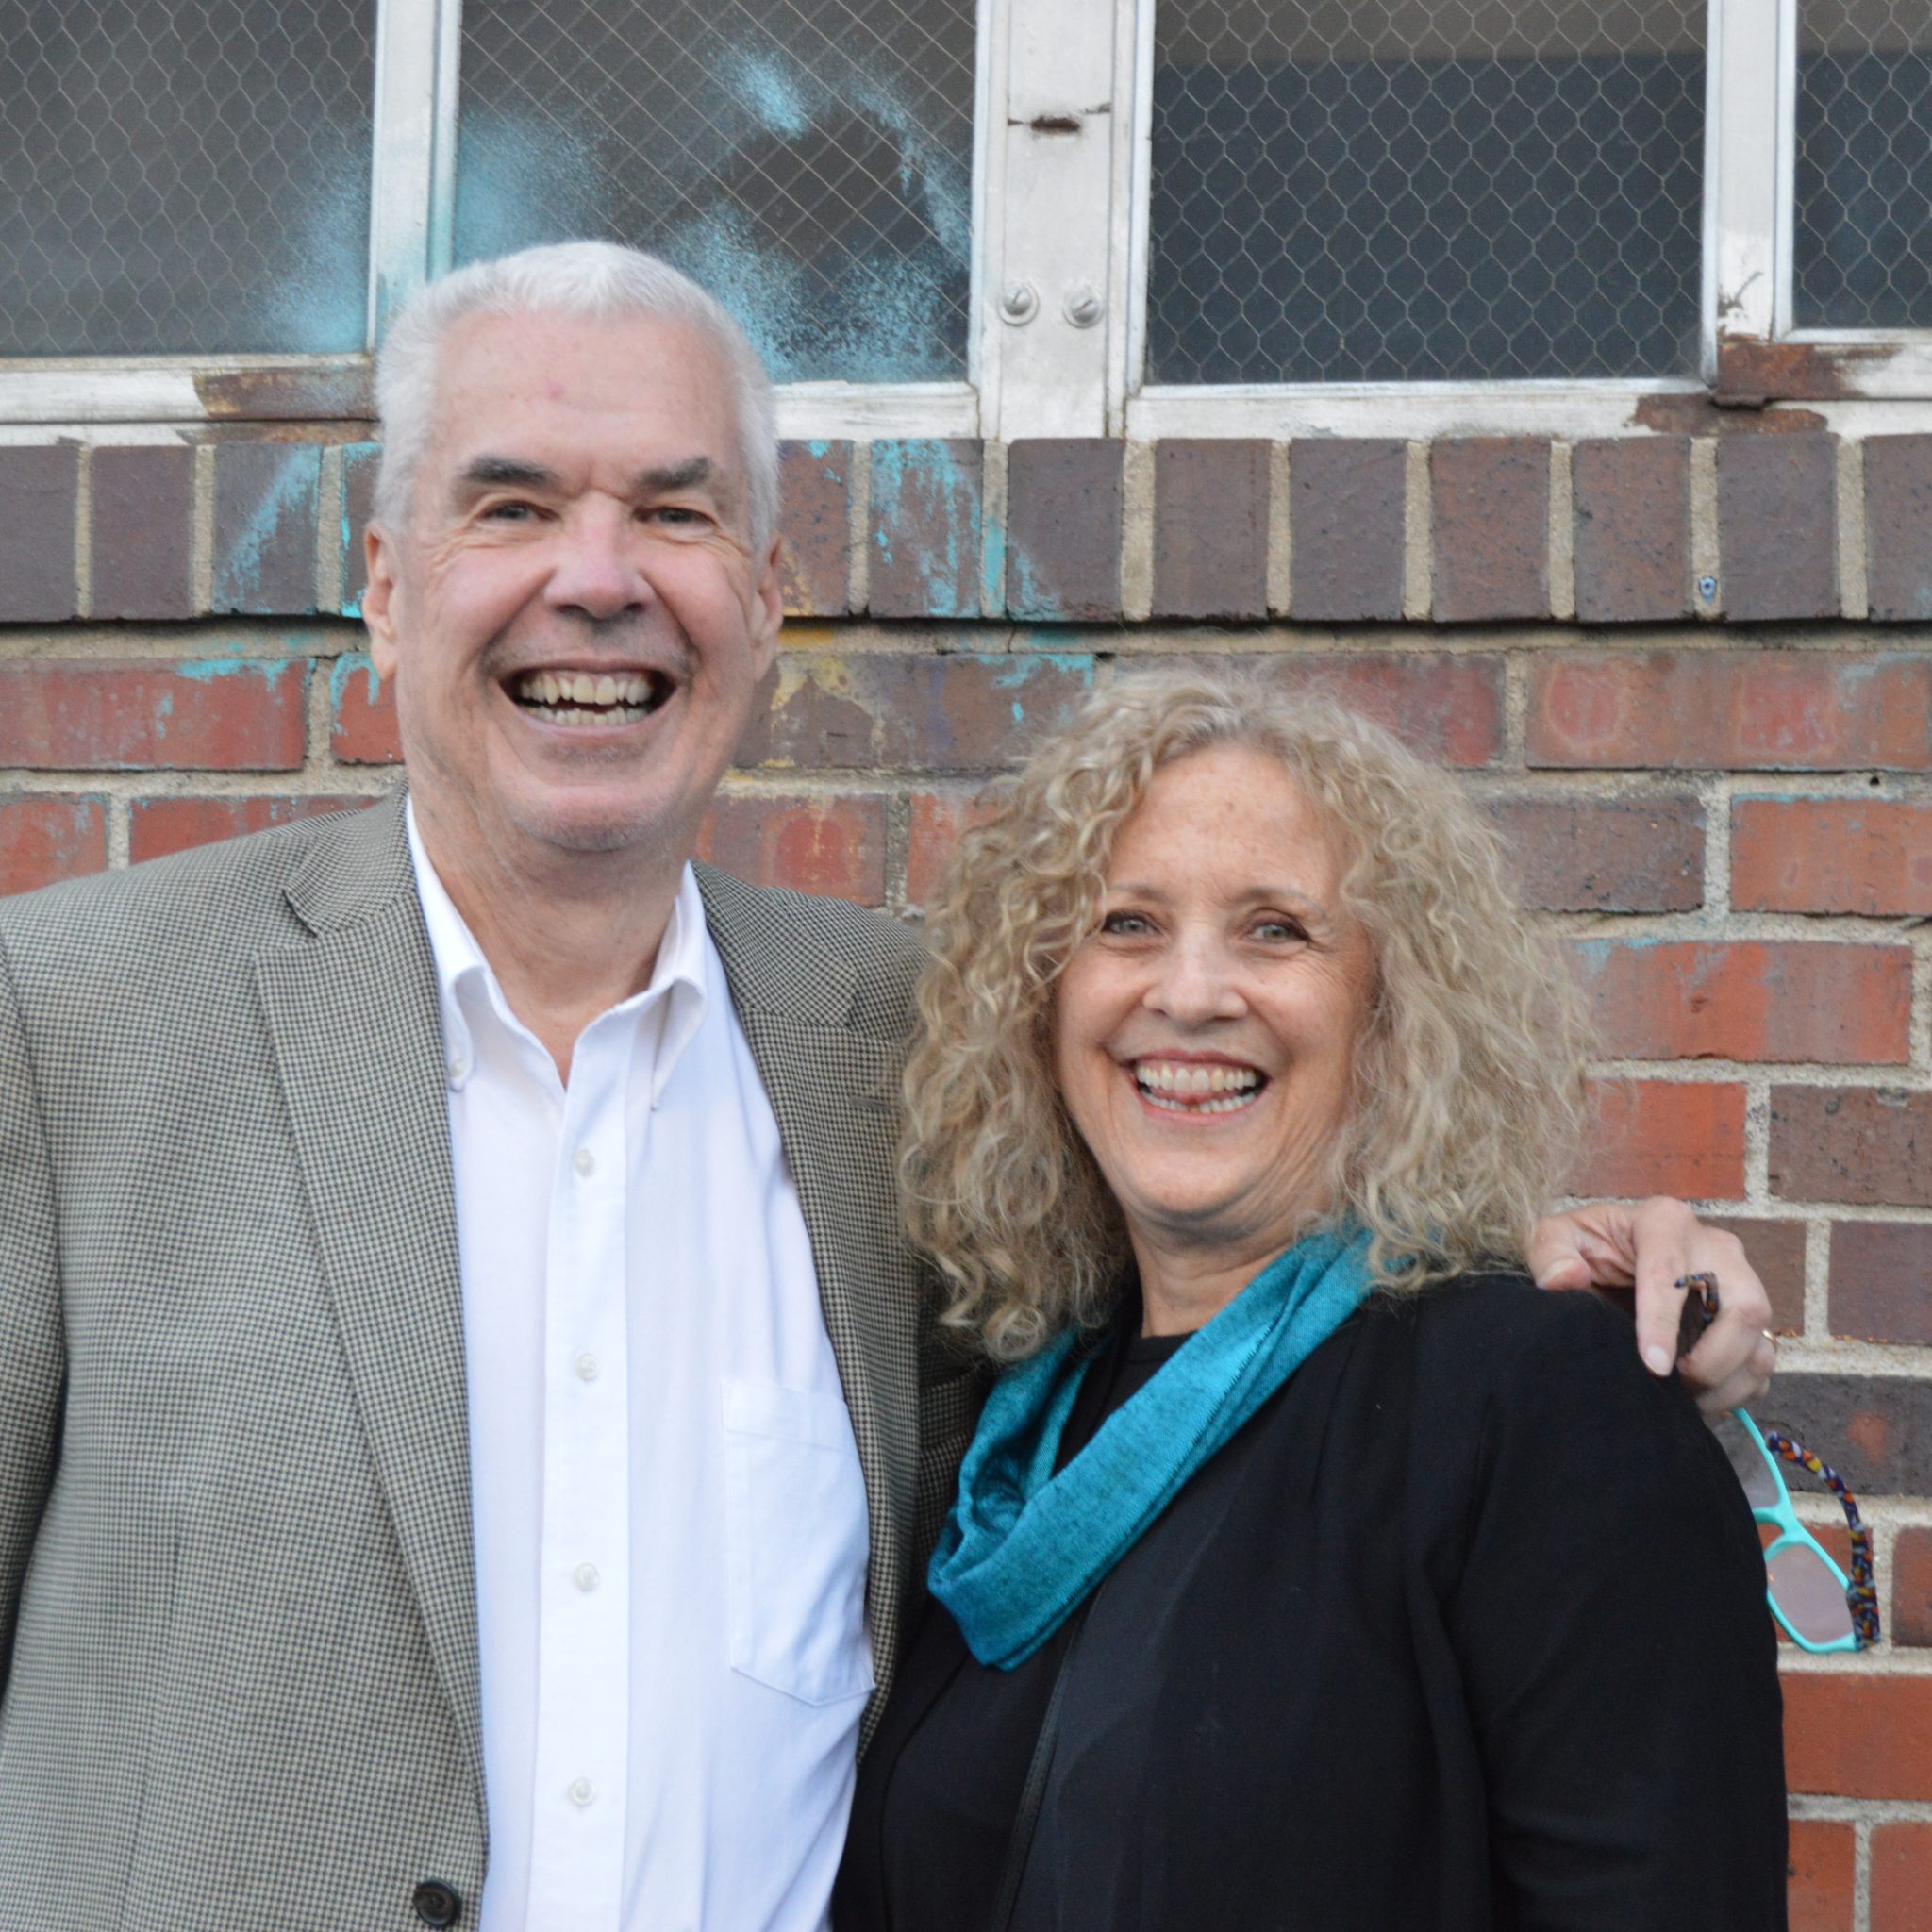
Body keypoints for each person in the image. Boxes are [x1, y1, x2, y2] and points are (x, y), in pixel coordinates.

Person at [0, 242, 1771, 1932]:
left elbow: (1251, 1305)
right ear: (384, 588)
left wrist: (1525, 1268)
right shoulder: (73, 1022)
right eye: (514, 503)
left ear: (766, 604)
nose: (600, 577)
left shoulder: (882, 1051)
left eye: (678, 511)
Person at [837, 673, 1787, 1931]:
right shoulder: (1017, 1418)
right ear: (1040, 997)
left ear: (1391, 1009)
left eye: (1275, 929)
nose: (1186, 993)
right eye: (1124, 923)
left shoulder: (1543, 1403)